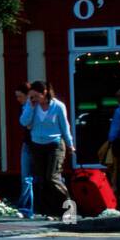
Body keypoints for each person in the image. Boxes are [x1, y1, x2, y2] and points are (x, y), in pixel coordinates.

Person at [21, 80, 74, 216]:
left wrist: (70, 144)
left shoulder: (58, 106)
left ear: (45, 93)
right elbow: (24, 121)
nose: (34, 99)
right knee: (42, 180)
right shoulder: (32, 105)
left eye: (36, 96)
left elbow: (64, 126)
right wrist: (31, 107)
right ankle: (51, 212)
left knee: (52, 177)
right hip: (37, 145)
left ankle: (69, 209)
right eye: (31, 96)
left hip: (55, 144)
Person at [14, 83, 35, 218]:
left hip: (33, 144)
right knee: (28, 178)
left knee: (27, 177)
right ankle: (27, 208)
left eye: (19, 96)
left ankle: (25, 207)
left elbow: (25, 122)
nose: (18, 99)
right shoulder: (27, 106)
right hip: (29, 143)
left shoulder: (30, 106)